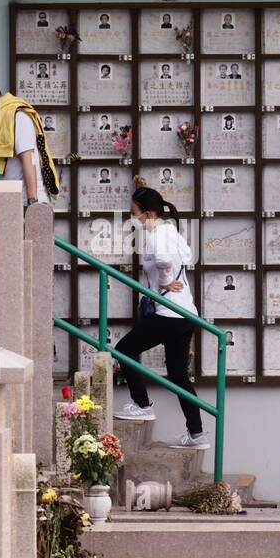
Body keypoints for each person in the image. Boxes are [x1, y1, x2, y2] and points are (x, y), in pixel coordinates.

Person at [113, 187, 208, 449]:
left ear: (149, 213)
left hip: (169, 313)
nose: (133, 218)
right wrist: (166, 282)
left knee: (123, 350)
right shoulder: (171, 232)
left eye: (135, 213)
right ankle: (197, 434)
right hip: (186, 313)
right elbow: (187, 256)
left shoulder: (157, 235)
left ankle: (142, 404)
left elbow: (165, 261)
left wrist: (165, 282)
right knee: (178, 375)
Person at [0, 73, 61, 207]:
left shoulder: (17, 116)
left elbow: (28, 159)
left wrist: (32, 202)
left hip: (26, 202)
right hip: (10, 202)